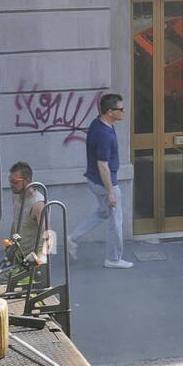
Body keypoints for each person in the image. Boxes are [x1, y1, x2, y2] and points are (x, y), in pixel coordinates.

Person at [67, 92, 131, 269]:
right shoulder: (104, 134)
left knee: (103, 213)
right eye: (121, 109)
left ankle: (72, 238)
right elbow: (102, 165)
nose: (124, 112)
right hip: (105, 182)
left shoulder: (98, 124)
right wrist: (111, 192)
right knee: (116, 222)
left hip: (94, 180)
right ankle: (113, 258)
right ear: (110, 112)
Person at [7, 161, 47, 261]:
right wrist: (10, 244)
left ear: (27, 181)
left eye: (15, 182)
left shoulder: (38, 204)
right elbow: (16, 221)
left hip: (34, 261)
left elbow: (49, 235)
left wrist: (39, 258)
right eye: (10, 180)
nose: (11, 184)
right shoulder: (17, 196)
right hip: (19, 257)